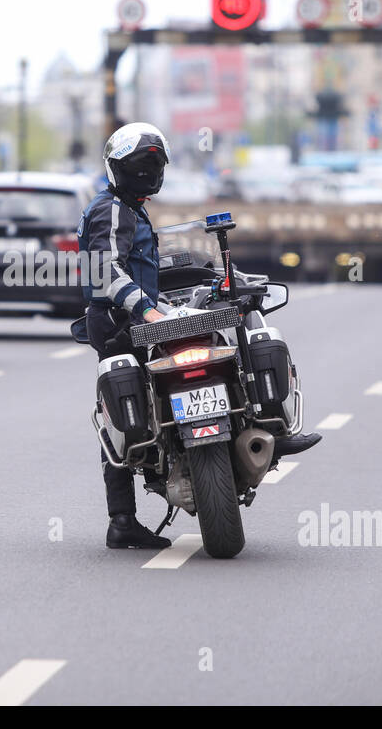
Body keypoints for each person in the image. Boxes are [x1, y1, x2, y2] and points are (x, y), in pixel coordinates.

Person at [76, 122, 319, 549]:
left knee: (120, 415)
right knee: (118, 414)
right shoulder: (112, 209)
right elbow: (104, 271)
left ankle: (123, 519)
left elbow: (133, 268)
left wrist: (175, 297)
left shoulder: (128, 207)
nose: (148, 173)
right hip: (120, 324)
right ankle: (271, 425)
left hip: (126, 319)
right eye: (143, 165)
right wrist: (149, 308)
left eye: (152, 165)